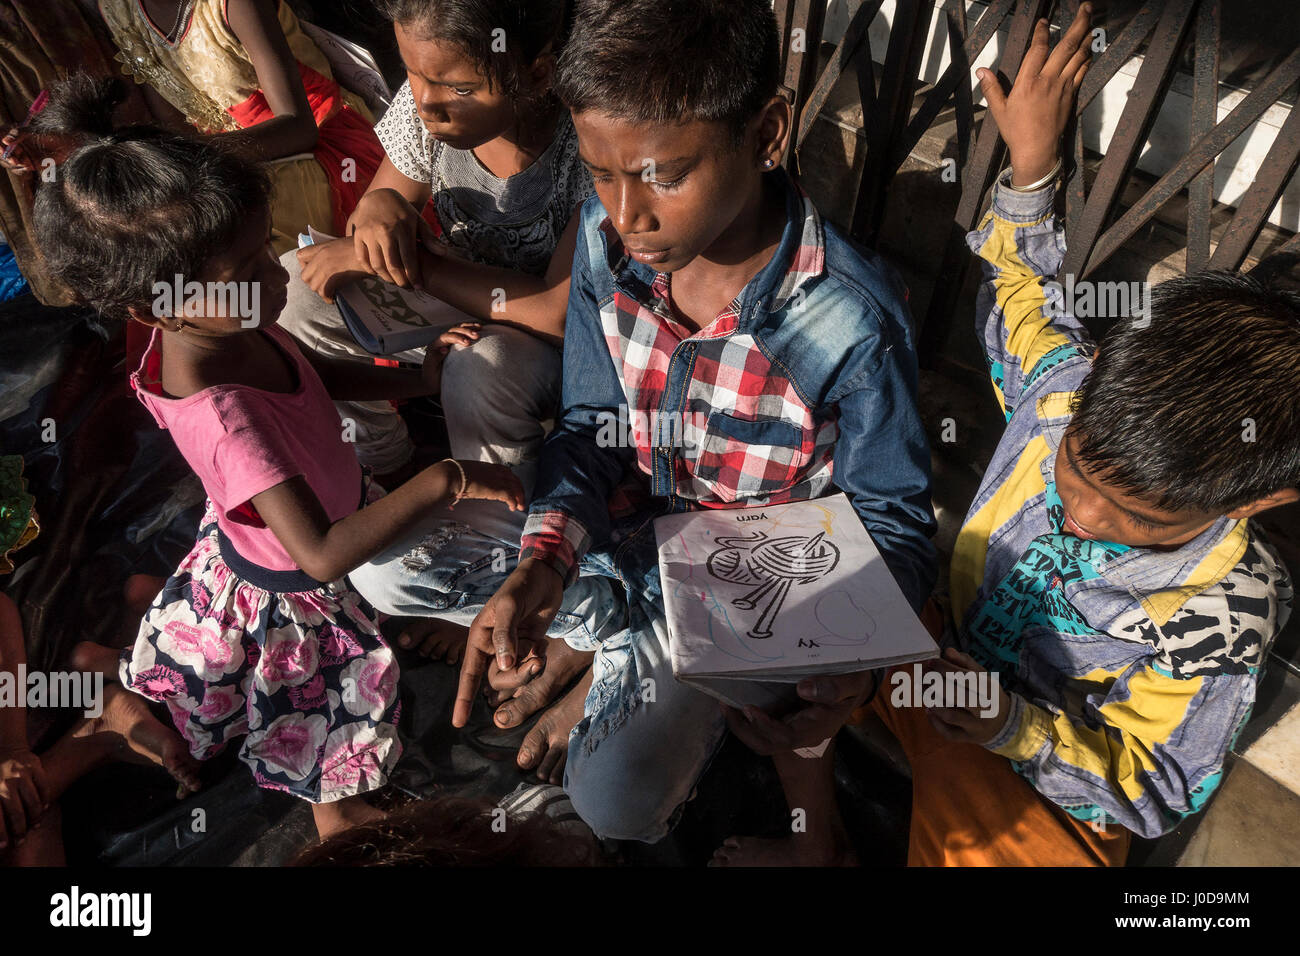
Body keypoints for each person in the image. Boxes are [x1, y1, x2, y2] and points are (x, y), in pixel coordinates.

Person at [349, 0, 938, 844]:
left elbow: (895, 528)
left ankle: (622, 647)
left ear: (767, 131)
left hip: (734, 584)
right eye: (600, 172)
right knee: (383, 568)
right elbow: (589, 422)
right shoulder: (605, 241)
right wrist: (542, 565)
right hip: (625, 539)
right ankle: (595, 629)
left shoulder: (846, 321)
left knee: (615, 805)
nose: (627, 214)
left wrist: (850, 661)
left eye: (664, 174)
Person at [807, 5, 1295, 867]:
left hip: (1034, 766)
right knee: (786, 640)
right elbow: (1027, 288)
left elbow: (1157, 790)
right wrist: (1030, 167)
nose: (1076, 512)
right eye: (1073, 471)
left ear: (1260, 499)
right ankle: (820, 840)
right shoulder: (1062, 393)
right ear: (1098, 366)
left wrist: (1010, 725)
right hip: (931, 653)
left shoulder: (1222, 615)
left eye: (1130, 517)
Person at [30, 73, 522, 840]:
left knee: (202, 695)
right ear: (147, 308)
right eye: (246, 272)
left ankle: (115, 667)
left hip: (257, 554)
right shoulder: (231, 422)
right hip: (291, 598)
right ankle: (328, 824)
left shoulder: (222, 322)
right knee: (324, 760)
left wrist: (414, 377)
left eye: (261, 253)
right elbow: (323, 556)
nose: (272, 278)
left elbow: (308, 374)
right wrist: (445, 479)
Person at [283, 0, 598, 764]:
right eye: (414, 77)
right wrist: (381, 217)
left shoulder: (586, 147)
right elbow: (384, 199)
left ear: (535, 72)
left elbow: (558, 313)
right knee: (303, 289)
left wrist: (419, 266)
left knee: (482, 372)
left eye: (452, 84)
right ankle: (395, 473)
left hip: (553, 341)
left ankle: (510, 553)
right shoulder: (428, 103)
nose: (425, 101)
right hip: (460, 302)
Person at [96, 0, 385, 252]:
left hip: (325, 145)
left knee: (233, 233)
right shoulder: (118, 9)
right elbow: (176, 126)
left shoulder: (232, 5)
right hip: (228, 158)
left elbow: (300, 128)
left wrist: (189, 158)